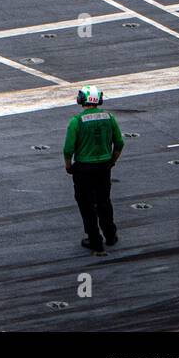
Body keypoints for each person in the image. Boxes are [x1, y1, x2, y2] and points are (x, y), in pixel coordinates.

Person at [63, 85, 124, 253]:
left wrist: (68, 165)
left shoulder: (77, 121)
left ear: (83, 99)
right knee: (104, 201)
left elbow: (68, 148)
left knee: (86, 204)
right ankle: (110, 235)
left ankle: (95, 239)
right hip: (104, 167)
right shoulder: (109, 117)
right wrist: (112, 160)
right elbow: (119, 143)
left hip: (83, 168)